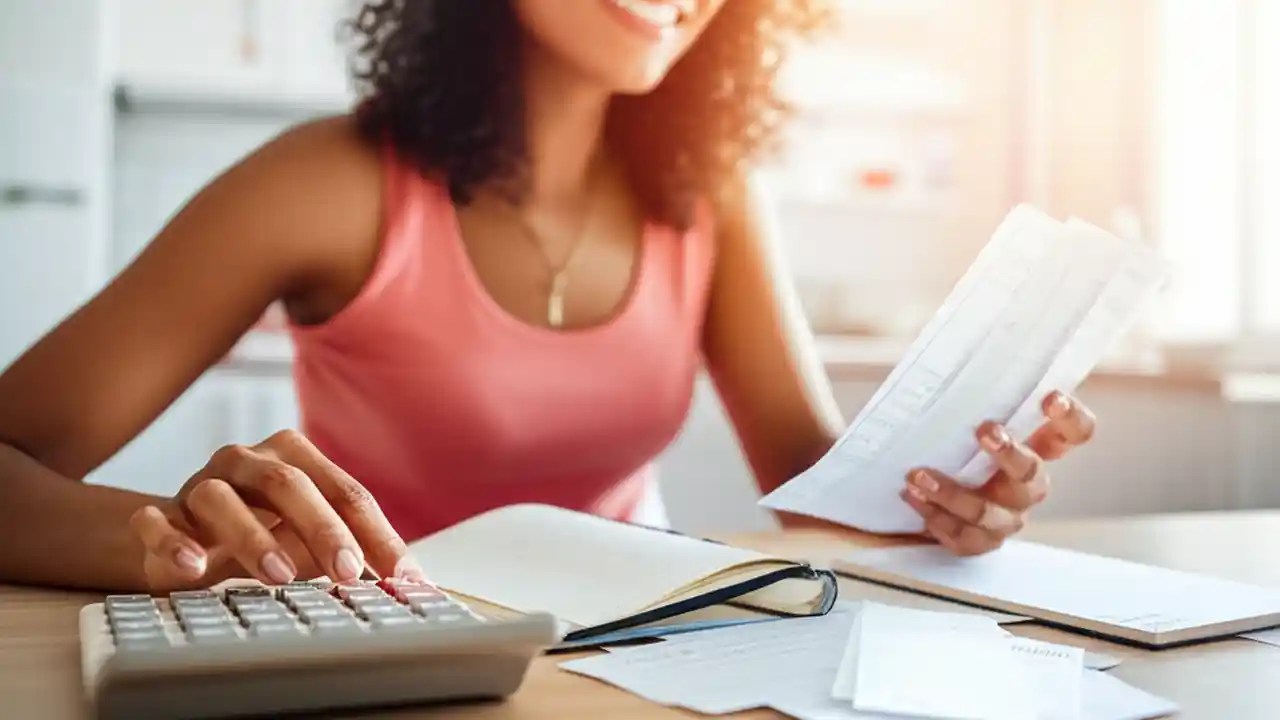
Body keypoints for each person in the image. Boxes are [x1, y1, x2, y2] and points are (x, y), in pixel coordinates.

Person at [0, 0, 1095, 593]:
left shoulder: (706, 194)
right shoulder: (321, 185)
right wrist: (179, 544)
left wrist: (951, 502)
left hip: (649, 658)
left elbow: (817, 495)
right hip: (390, 652)